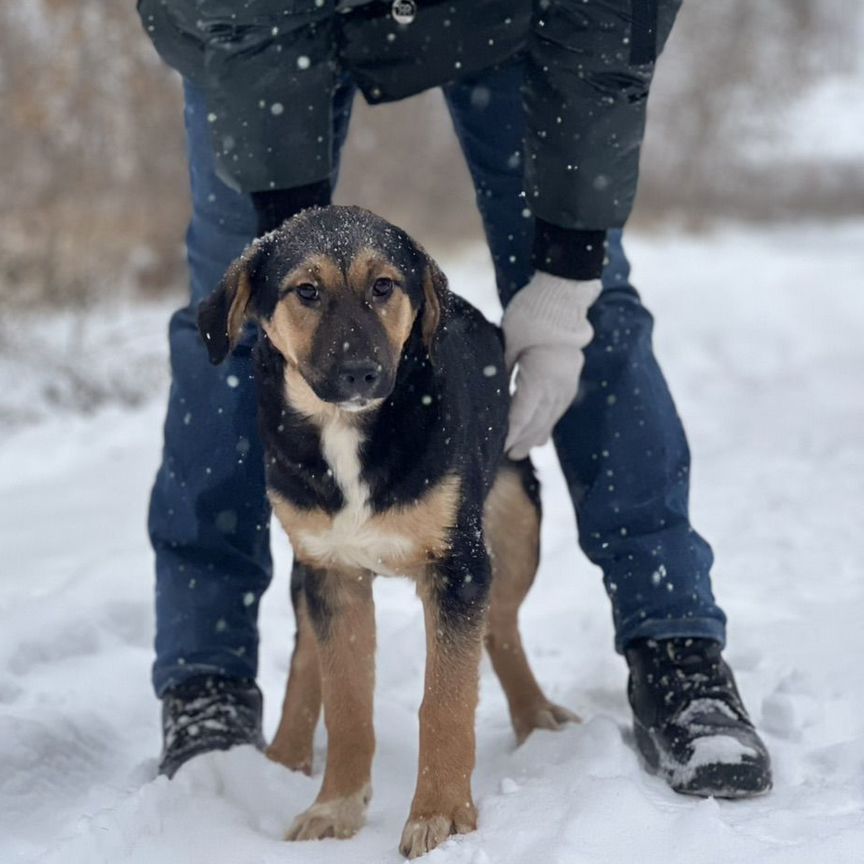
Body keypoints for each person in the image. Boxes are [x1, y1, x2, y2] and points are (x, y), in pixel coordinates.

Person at [139, 0, 771, 797]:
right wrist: (284, 249)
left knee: (596, 311)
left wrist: (569, 277)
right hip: (260, 27)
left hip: (508, 16)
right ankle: (208, 674)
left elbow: (612, 25)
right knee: (221, 328)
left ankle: (675, 645)